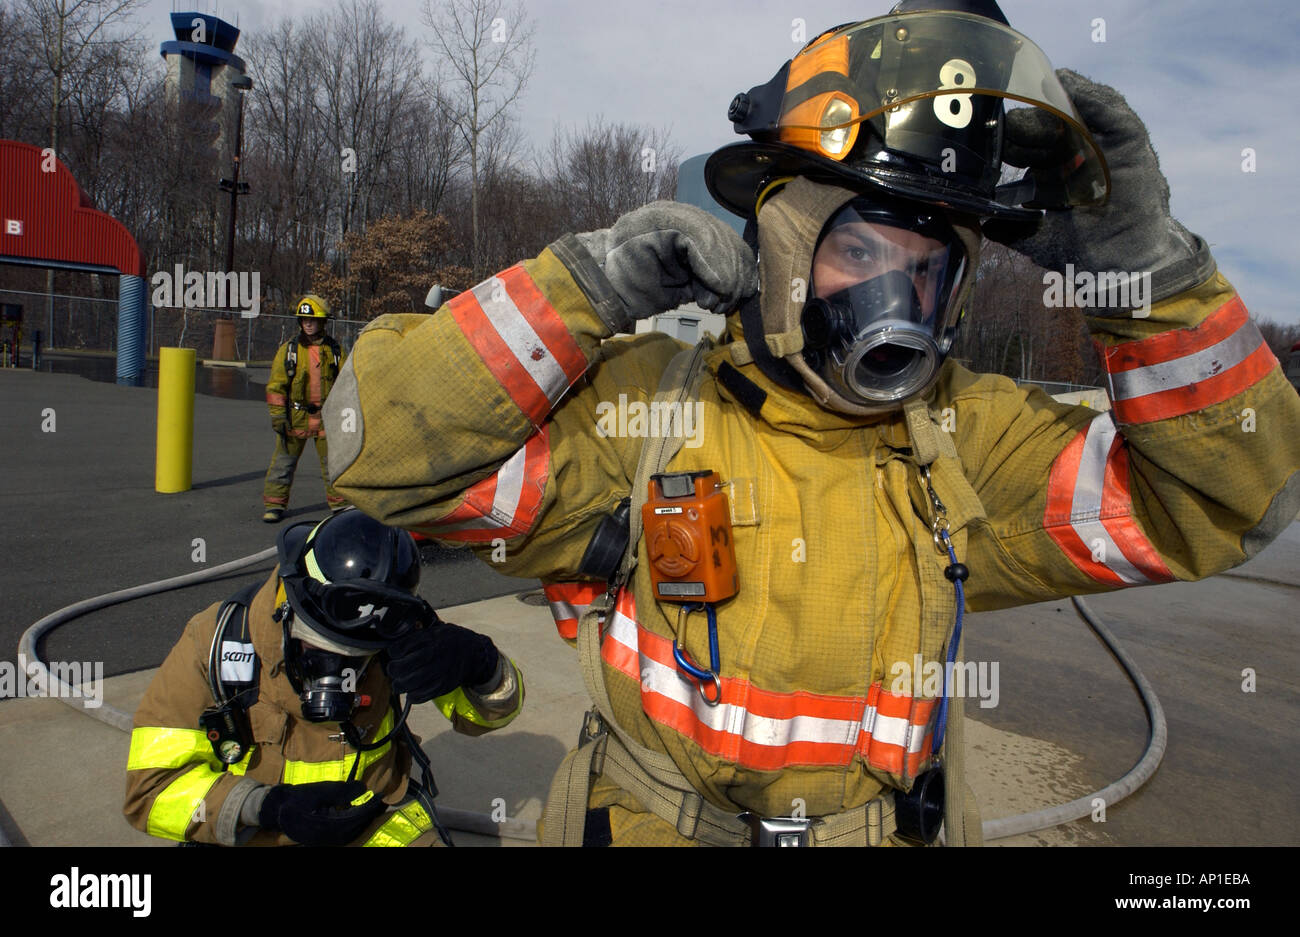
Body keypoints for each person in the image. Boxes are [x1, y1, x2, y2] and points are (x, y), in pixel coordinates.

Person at [322, 0, 1300, 846]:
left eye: (931, 269)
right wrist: (582, 288)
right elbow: (379, 456)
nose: (897, 300)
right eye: (864, 250)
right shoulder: (646, 412)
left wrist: (1150, 271)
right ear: (783, 244)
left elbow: (1226, 502)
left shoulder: (972, 438)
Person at [124, 509, 524, 846]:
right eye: (320, 651)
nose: (338, 673)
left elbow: (484, 715)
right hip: (260, 833)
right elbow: (150, 793)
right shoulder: (215, 640)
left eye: (356, 660)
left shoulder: (397, 632)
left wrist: (480, 664)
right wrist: (264, 806)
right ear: (289, 607)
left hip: (373, 825)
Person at [262, 294, 347, 523]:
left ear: (323, 322)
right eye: (304, 320)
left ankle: (340, 506)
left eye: (313, 320)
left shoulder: (335, 351)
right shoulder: (288, 351)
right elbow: (276, 386)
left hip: (326, 419)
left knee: (333, 465)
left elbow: (347, 384)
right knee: (283, 464)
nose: (308, 324)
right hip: (295, 418)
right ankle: (274, 504)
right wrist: (278, 415)